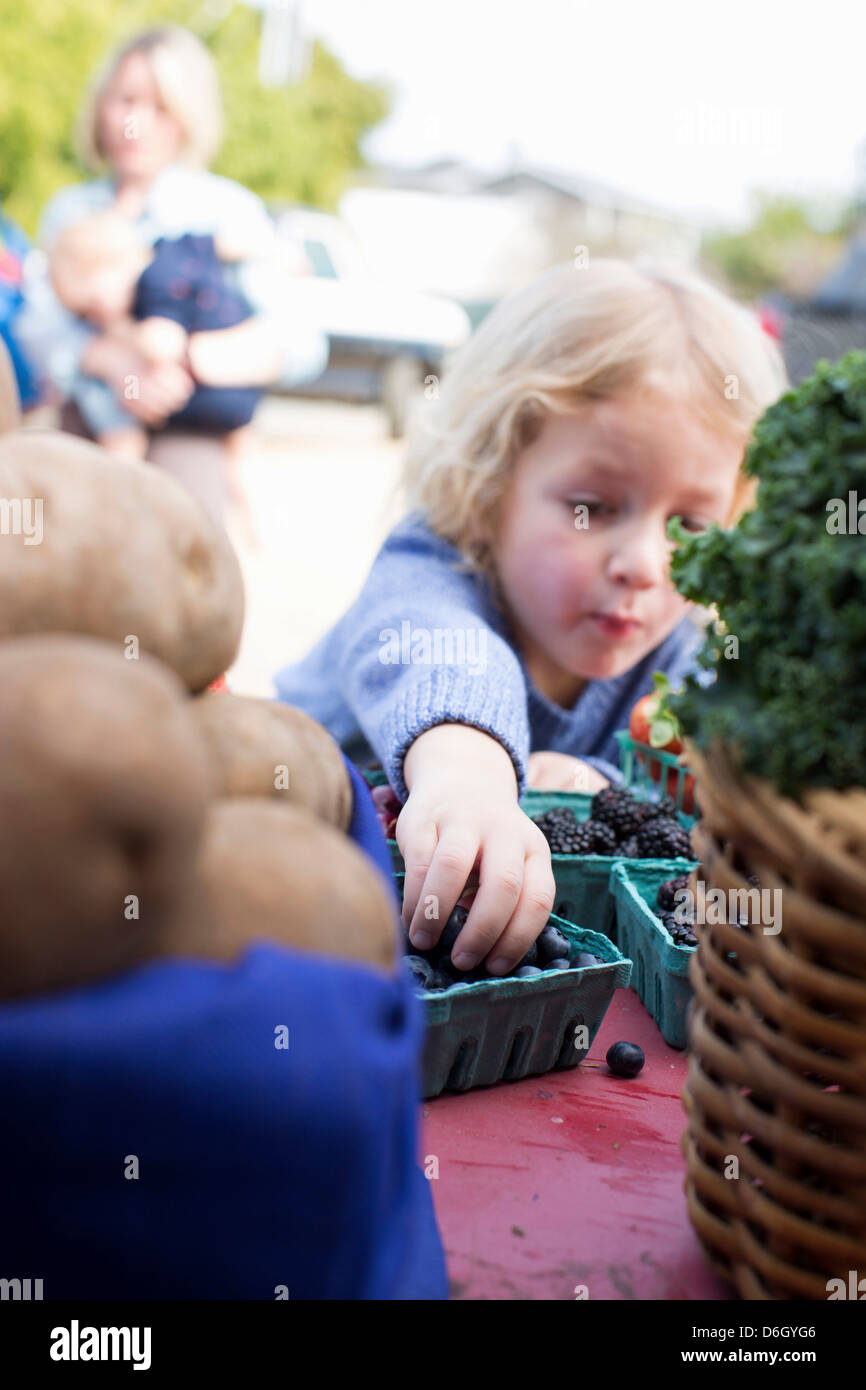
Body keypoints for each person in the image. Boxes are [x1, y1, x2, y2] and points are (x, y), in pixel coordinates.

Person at [274, 258, 788, 977]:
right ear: (490, 485)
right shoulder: (430, 572)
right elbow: (442, 653)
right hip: (285, 862)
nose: (644, 562)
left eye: (693, 526)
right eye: (596, 507)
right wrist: (466, 773)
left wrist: (596, 779)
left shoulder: (679, 660)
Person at [16, 25, 327, 520]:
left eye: (159, 107)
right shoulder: (69, 212)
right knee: (33, 522)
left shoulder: (226, 212)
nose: (134, 121)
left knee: (183, 533)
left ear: (186, 118)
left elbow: (301, 341)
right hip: (92, 415)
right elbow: (36, 326)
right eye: (125, 100)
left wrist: (190, 361)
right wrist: (113, 364)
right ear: (101, 106)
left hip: (190, 423)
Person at [49, 210, 264, 460]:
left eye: (94, 306)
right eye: (84, 315)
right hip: (163, 404)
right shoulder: (119, 316)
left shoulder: (158, 279)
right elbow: (124, 386)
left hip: (209, 394)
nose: (95, 318)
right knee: (109, 398)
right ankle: (122, 453)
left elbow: (162, 345)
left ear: (116, 262)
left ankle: (122, 455)